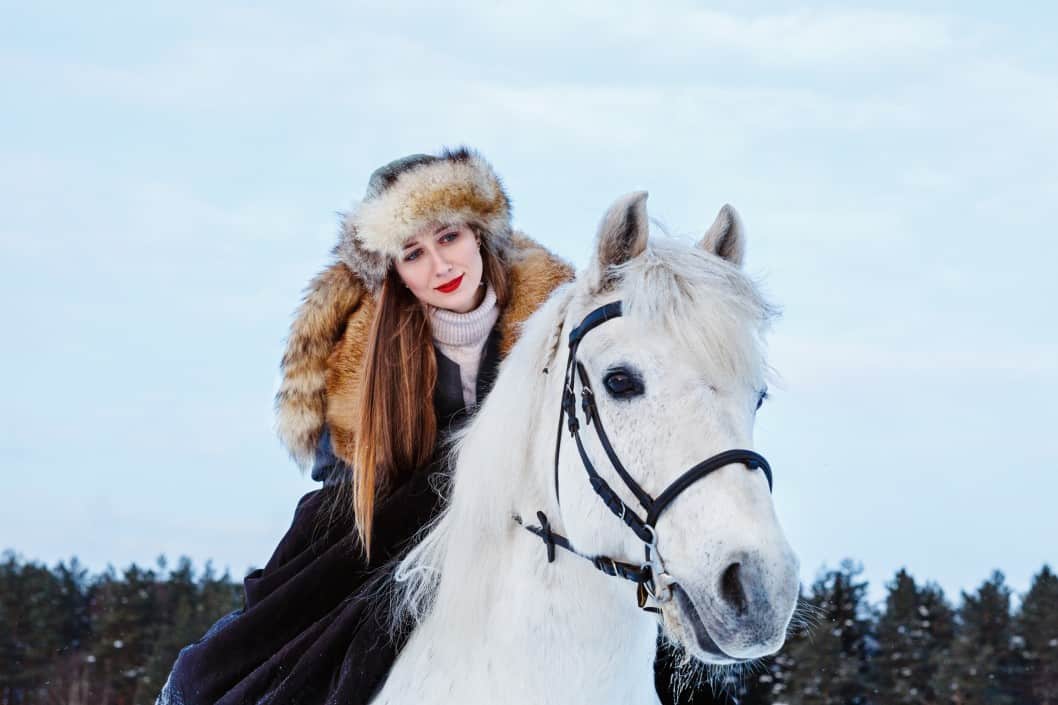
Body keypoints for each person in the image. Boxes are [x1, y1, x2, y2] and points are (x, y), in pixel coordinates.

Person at [155, 148, 574, 705]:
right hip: (398, 511)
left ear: (479, 233)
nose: (440, 267)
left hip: (531, 502)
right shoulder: (366, 341)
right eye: (414, 253)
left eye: (449, 238)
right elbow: (339, 466)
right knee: (294, 640)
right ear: (395, 269)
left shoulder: (557, 315)